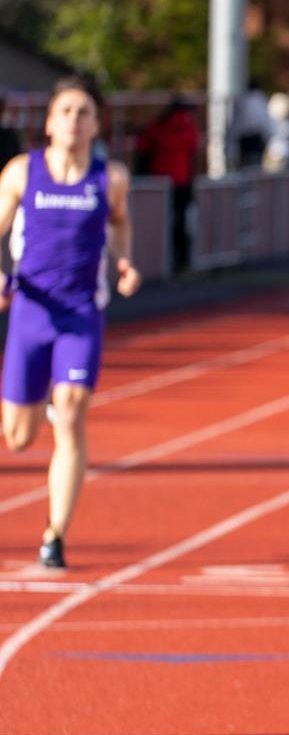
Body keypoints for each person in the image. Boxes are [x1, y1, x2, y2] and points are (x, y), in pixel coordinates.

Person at [0, 76, 143, 568]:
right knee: (17, 437)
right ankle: (42, 400)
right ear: (48, 122)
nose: (74, 121)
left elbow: (120, 223)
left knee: (73, 410)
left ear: (96, 125)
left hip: (80, 314)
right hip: (30, 312)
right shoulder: (22, 173)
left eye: (84, 113)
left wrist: (124, 261)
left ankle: (54, 536)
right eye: (65, 111)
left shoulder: (111, 178)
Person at [134, 96, 201, 275]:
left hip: (158, 183)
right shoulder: (188, 128)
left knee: (159, 222)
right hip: (182, 181)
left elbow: (142, 148)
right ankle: (181, 261)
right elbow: (193, 154)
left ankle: (156, 260)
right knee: (181, 222)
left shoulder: (158, 126)